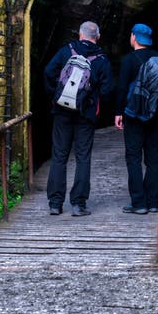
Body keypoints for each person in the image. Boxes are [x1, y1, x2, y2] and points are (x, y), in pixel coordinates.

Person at [44, 20, 113, 216]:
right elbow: (108, 90)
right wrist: (95, 102)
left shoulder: (66, 51)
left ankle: (55, 203)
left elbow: (49, 72)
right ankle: (78, 204)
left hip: (61, 111)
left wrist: (55, 95)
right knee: (83, 157)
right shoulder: (101, 59)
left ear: (80, 34)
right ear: (97, 37)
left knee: (59, 155)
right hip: (86, 114)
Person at [114, 23, 158, 215]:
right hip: (155, 115)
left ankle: (138, 203)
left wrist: (118, 112)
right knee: (153, 158)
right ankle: (154, 202)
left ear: (133, 37)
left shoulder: (129, 60)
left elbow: (122, 88)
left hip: (133, 115)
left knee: (133, 157)